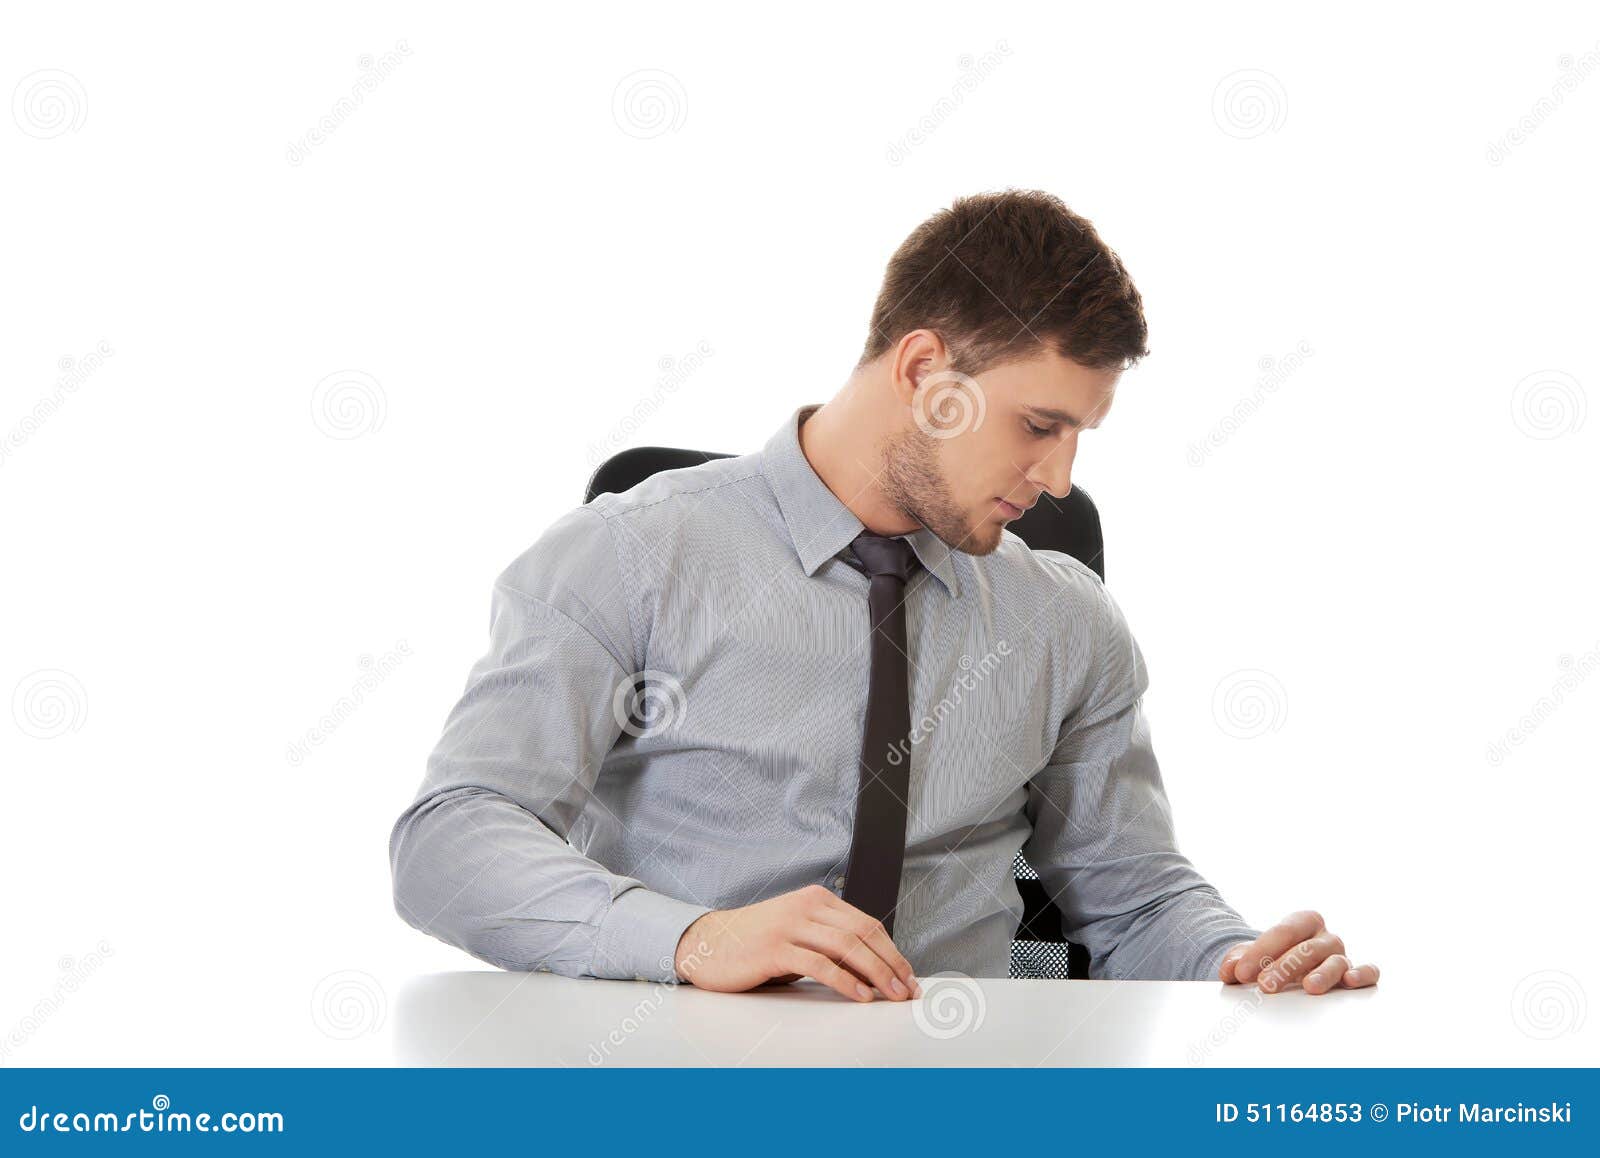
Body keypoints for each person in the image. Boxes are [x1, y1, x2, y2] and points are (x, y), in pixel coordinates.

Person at [388, 189, 1378, 1003]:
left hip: (961, 1095)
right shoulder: (631, 557)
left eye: (1080, 433)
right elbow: (450, 836)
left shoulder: (1066, 624)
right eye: (1039, 424)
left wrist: (1237, 960)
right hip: (677, 1076)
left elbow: (1135, 902)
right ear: (924, 371)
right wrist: (692, 937)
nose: (1062, 478)